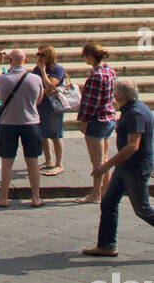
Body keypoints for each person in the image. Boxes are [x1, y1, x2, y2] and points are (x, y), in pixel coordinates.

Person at [83, 80, 154, 257]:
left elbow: (132, 146)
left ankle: (107, 244)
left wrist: (105, 166)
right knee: (108, 202)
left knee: (142, 209)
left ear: (118, 96)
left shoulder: (135, 114)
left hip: (134, 168)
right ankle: (106, 245)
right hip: (126, 166)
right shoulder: (137, 109)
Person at [0, 48, 45, 208]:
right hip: (31, 122)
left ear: (10, 62)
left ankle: (3, 197)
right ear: (26, 60)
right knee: (33, 161)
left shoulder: (2, 79)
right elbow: (39, 100)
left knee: (7, 162)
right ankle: (36, 197)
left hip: (8, 123)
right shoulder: (35, 78)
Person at [77, 40, 118, 204]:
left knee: (97, 161)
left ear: (91, 57)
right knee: (105, 158)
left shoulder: (96, 76)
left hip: (97, 120)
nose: (84, 59)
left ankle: (96, 194)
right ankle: (105, 190)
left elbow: (91, 103)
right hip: (109, 117)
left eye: (85, 56)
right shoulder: (110, 71)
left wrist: (84, 120)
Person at [34, 44, 67, 175]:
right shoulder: (37, 68)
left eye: (42, 55)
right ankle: (48, 160)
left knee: (55, 133)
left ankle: (59, 163)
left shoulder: (57, 69)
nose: (39, 57)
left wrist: (43, 71)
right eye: (38, 54)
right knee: (42, 133)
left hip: (53, 106)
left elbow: (51, 85)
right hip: (40, 103)